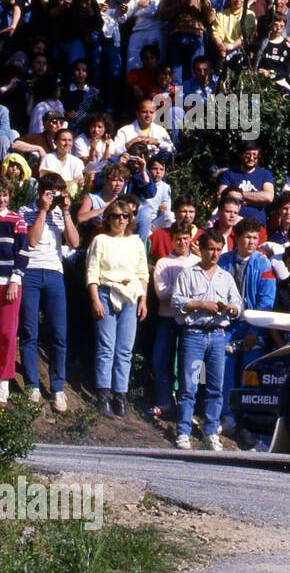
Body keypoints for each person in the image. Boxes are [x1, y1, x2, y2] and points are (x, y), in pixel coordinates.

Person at [171, 229, 243, 451]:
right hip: (194, 334)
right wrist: (202, 305)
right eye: (210, 249)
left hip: (218, 336)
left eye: (219, 250)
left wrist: (232, 309)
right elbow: (176, 301)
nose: (214, 254)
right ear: (201, 249)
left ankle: (211, 431)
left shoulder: (225, 276)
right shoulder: (188, 274)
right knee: (190, 385)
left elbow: (238, 305)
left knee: (215, 386)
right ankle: (183, 430)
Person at [17, 173, 80, 411]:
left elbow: (74, 242)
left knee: (58, 333)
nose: (53, 197)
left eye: (57, 193)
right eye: (50, 192)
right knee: (29, 330)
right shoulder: (25, 210)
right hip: (30, 271)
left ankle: (57, 388)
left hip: (55, 273)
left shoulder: (60, 213)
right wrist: (43, 210)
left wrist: (65, 212)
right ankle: (33, 384)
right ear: (41, 191)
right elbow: (31, 242)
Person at [85, 198, 149, 418]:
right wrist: (95, 299)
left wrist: (143, 299)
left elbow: (142, 273)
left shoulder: (136, 242)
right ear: (108, 218)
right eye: (116, 216)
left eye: (125, 216)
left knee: (125, 349)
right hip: (106, 292)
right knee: (106, 346)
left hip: (131, 296)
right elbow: (92, 272)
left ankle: (120, 395)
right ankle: (103, 394)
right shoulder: (101, 240)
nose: (120, 220)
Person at [218, 218, 277, 432]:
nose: (252, 242)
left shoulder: (263, 263)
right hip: (226, 324)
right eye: (248, 237)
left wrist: (254, 329)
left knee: (249, 373)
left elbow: (267, 300)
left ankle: (247, 421)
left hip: (253, 325)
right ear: (237, 238)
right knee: (224, 370)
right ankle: (226, 415)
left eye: (255, 237)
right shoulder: (223, 261)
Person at [150, 221, 197, 423]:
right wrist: (185, 291)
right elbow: (162, 293)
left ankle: (192, 404)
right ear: (172, 239)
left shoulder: (197, 262)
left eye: (186, 239)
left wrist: (182, 295)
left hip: (191, 321)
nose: (182, 242)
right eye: (178, 239)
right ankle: (164, 401)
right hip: (168, 318)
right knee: (160, 361)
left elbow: (203, 291)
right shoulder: (163, 263)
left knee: (193, 366)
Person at [0, 177, 28, 405]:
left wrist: (14, 280)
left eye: (5, 194)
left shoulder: (17, 220)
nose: (2, 198)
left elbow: (22, 253)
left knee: (7, 333)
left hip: (9, 284)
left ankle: (4, 381)